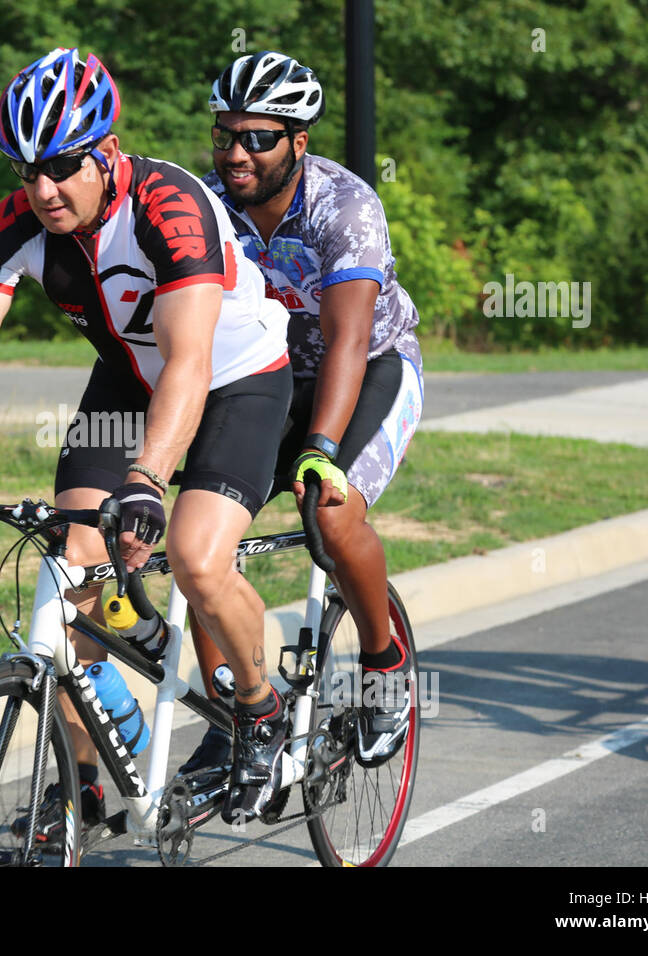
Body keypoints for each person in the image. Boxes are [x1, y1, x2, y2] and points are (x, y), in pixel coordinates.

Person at [0, 47, 294, 840]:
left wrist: (148, 480)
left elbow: (190, 362)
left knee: (195, 556)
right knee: (67, 582)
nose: (43, 191)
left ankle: (259, 712)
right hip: (129, 382)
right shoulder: (17, 224)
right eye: (27, 173)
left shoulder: (169, 205)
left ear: (109, 154)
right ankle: (80, 791)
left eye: (61, 167)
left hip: (234, 379)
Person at [181, 50, 425, 778]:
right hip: (268, 376)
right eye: (226, 135)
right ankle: (235, 714)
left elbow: (350, 339)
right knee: (201, 535)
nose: (237, 153)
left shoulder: (343, 207)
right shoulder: (206, 204)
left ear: (298, 142)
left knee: (330, 506)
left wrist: (320, 446)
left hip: (369, 366)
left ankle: (385, 668)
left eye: (257, 137)